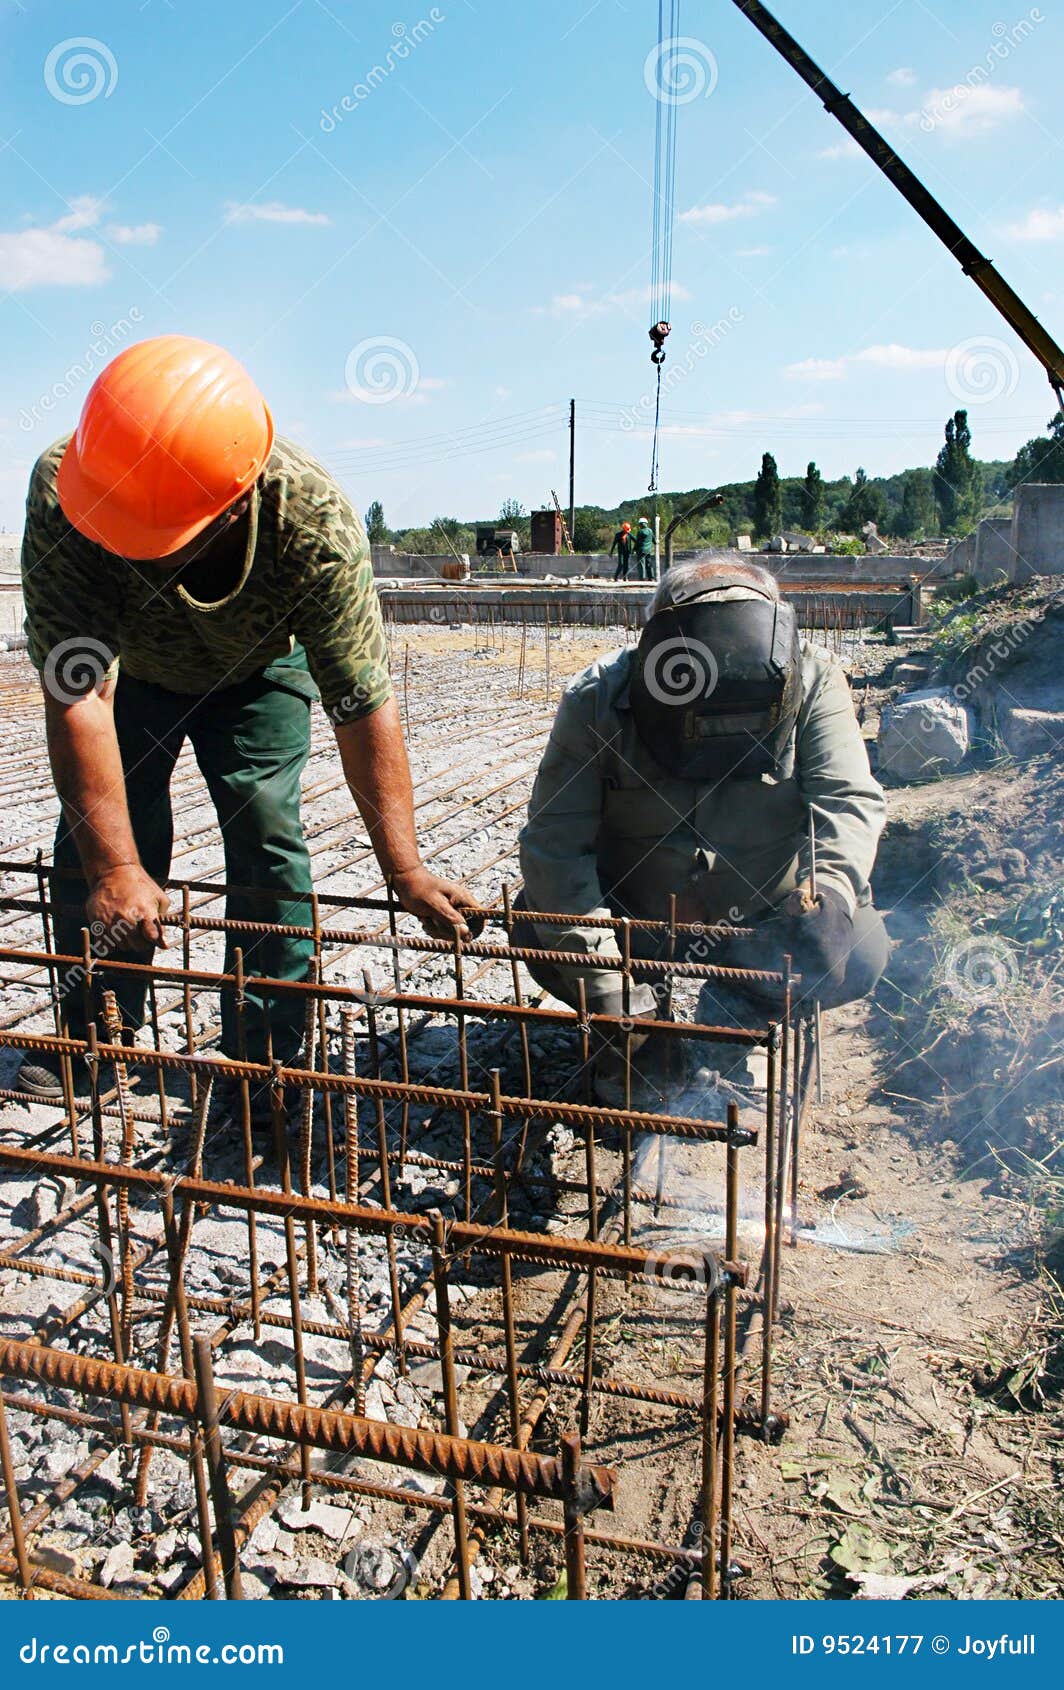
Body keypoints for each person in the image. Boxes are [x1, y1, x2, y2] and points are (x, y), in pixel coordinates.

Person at [17, 334, 479, 1107]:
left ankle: (264, 1058)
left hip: (261, 669)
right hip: (132, 673)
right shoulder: (69, 489)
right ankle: (97, 1029)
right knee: (104, 830)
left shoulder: (312, 522)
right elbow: (80, 691)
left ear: (232, 506)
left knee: (265, 824)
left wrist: (402, 868)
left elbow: (360, 701)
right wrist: (116, 871)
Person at [516, 557, 888, 1102]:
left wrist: (828, 896)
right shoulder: (597, 697)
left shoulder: (811, 681)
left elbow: (846, 800)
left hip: (760, 921)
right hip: (635, 924)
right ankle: (639, 1022)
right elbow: (554, 844)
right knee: (534, 923)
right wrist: (611, 997)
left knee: (860, 949)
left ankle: (740, 1013)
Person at [632, 515, 656, 581]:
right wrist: (656, 542)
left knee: (641, 565)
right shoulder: (650, 531)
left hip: (641, 551)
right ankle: (651, 577)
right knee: (649, 564)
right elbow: (654, 540)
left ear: (642, 524)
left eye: (640, 524)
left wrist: (633, 549)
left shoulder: (640, 531)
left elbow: (637, 542)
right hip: (648, 551)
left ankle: (642, 578)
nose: (640, 525)